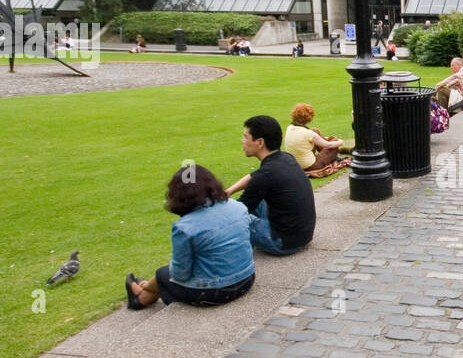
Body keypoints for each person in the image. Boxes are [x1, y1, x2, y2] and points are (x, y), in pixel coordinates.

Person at [125, 165, 255, 310]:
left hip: (215, 292)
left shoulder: (185, 227)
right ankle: (144, 291)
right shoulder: (238, 207)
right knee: (167, 273)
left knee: (163, 274)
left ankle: (142, 297)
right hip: (247, 278)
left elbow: (180, 274)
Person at [227, 115, 316, 255]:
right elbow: (253, 176)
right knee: (260, 199)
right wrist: (229, 191)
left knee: (233, 217)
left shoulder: (265, 175)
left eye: (245, 137)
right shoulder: (285, 158)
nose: (242, 141)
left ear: (260, 142)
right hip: (303, 235)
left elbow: (237, 213)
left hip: (282, 242)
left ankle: (235, 254)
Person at [283, 103, 352, 177]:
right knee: (334, 142)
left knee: (315, 130)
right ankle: (332, 158)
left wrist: (324, 139)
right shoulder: (308, 133)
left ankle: (331, 156)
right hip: (311, 166)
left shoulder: (289, 128)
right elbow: (329, 145)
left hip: (297, 165)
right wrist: (340, 141)